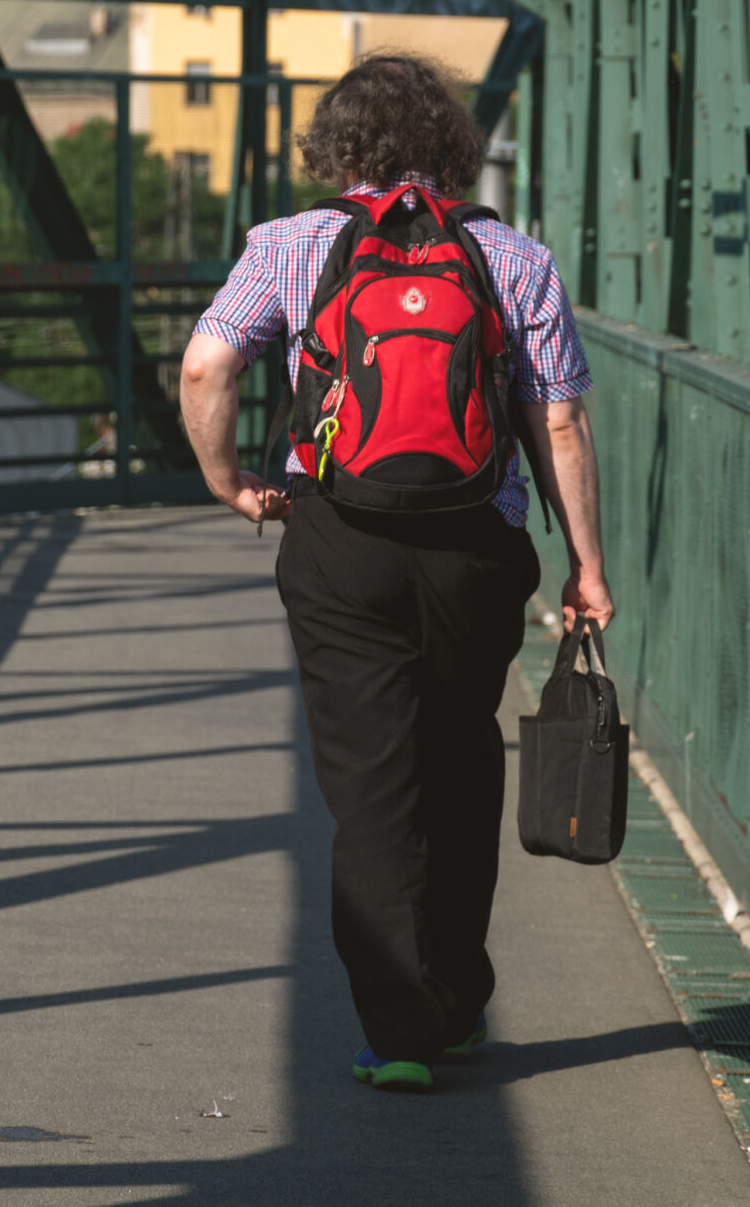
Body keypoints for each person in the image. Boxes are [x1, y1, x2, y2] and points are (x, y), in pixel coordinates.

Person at [178, 53, 615, 1092]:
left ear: (334, 146)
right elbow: (555, 415)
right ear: (453, 148)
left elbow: (206, 365)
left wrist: (229, 482)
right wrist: (584, 565)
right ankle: (458, 1000)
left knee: (371, 786)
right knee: (460, 761)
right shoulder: (511, 259)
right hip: (474, 545)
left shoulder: (288, 246)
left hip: (338, 540)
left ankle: (399, 1028)